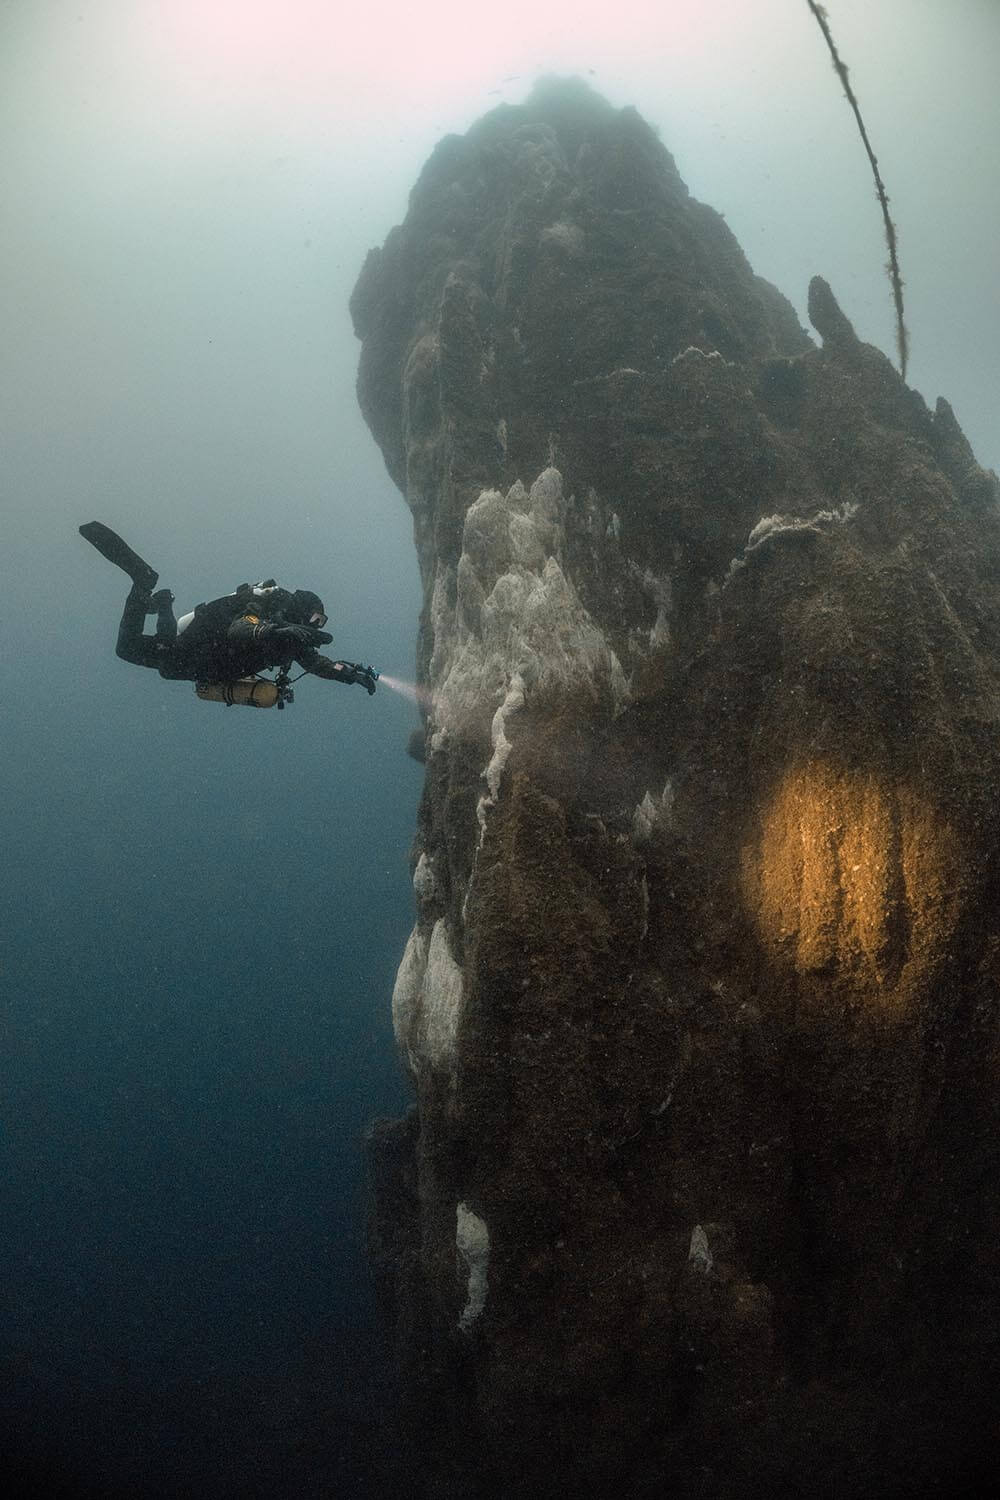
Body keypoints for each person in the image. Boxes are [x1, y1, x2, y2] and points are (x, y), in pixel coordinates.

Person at [80, 522, 378, 696]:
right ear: (302, 609)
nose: (316, 624)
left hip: (200, 666)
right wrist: (274, 630)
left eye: (320, 621)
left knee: (131, 651)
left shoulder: (294, 641)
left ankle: (149, 592)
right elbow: (241, 627)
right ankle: (149, 587)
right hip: (197, 647)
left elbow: (317, 664)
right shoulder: (268, 606)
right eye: (315, 617)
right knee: (140, 650)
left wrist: (349, 674)